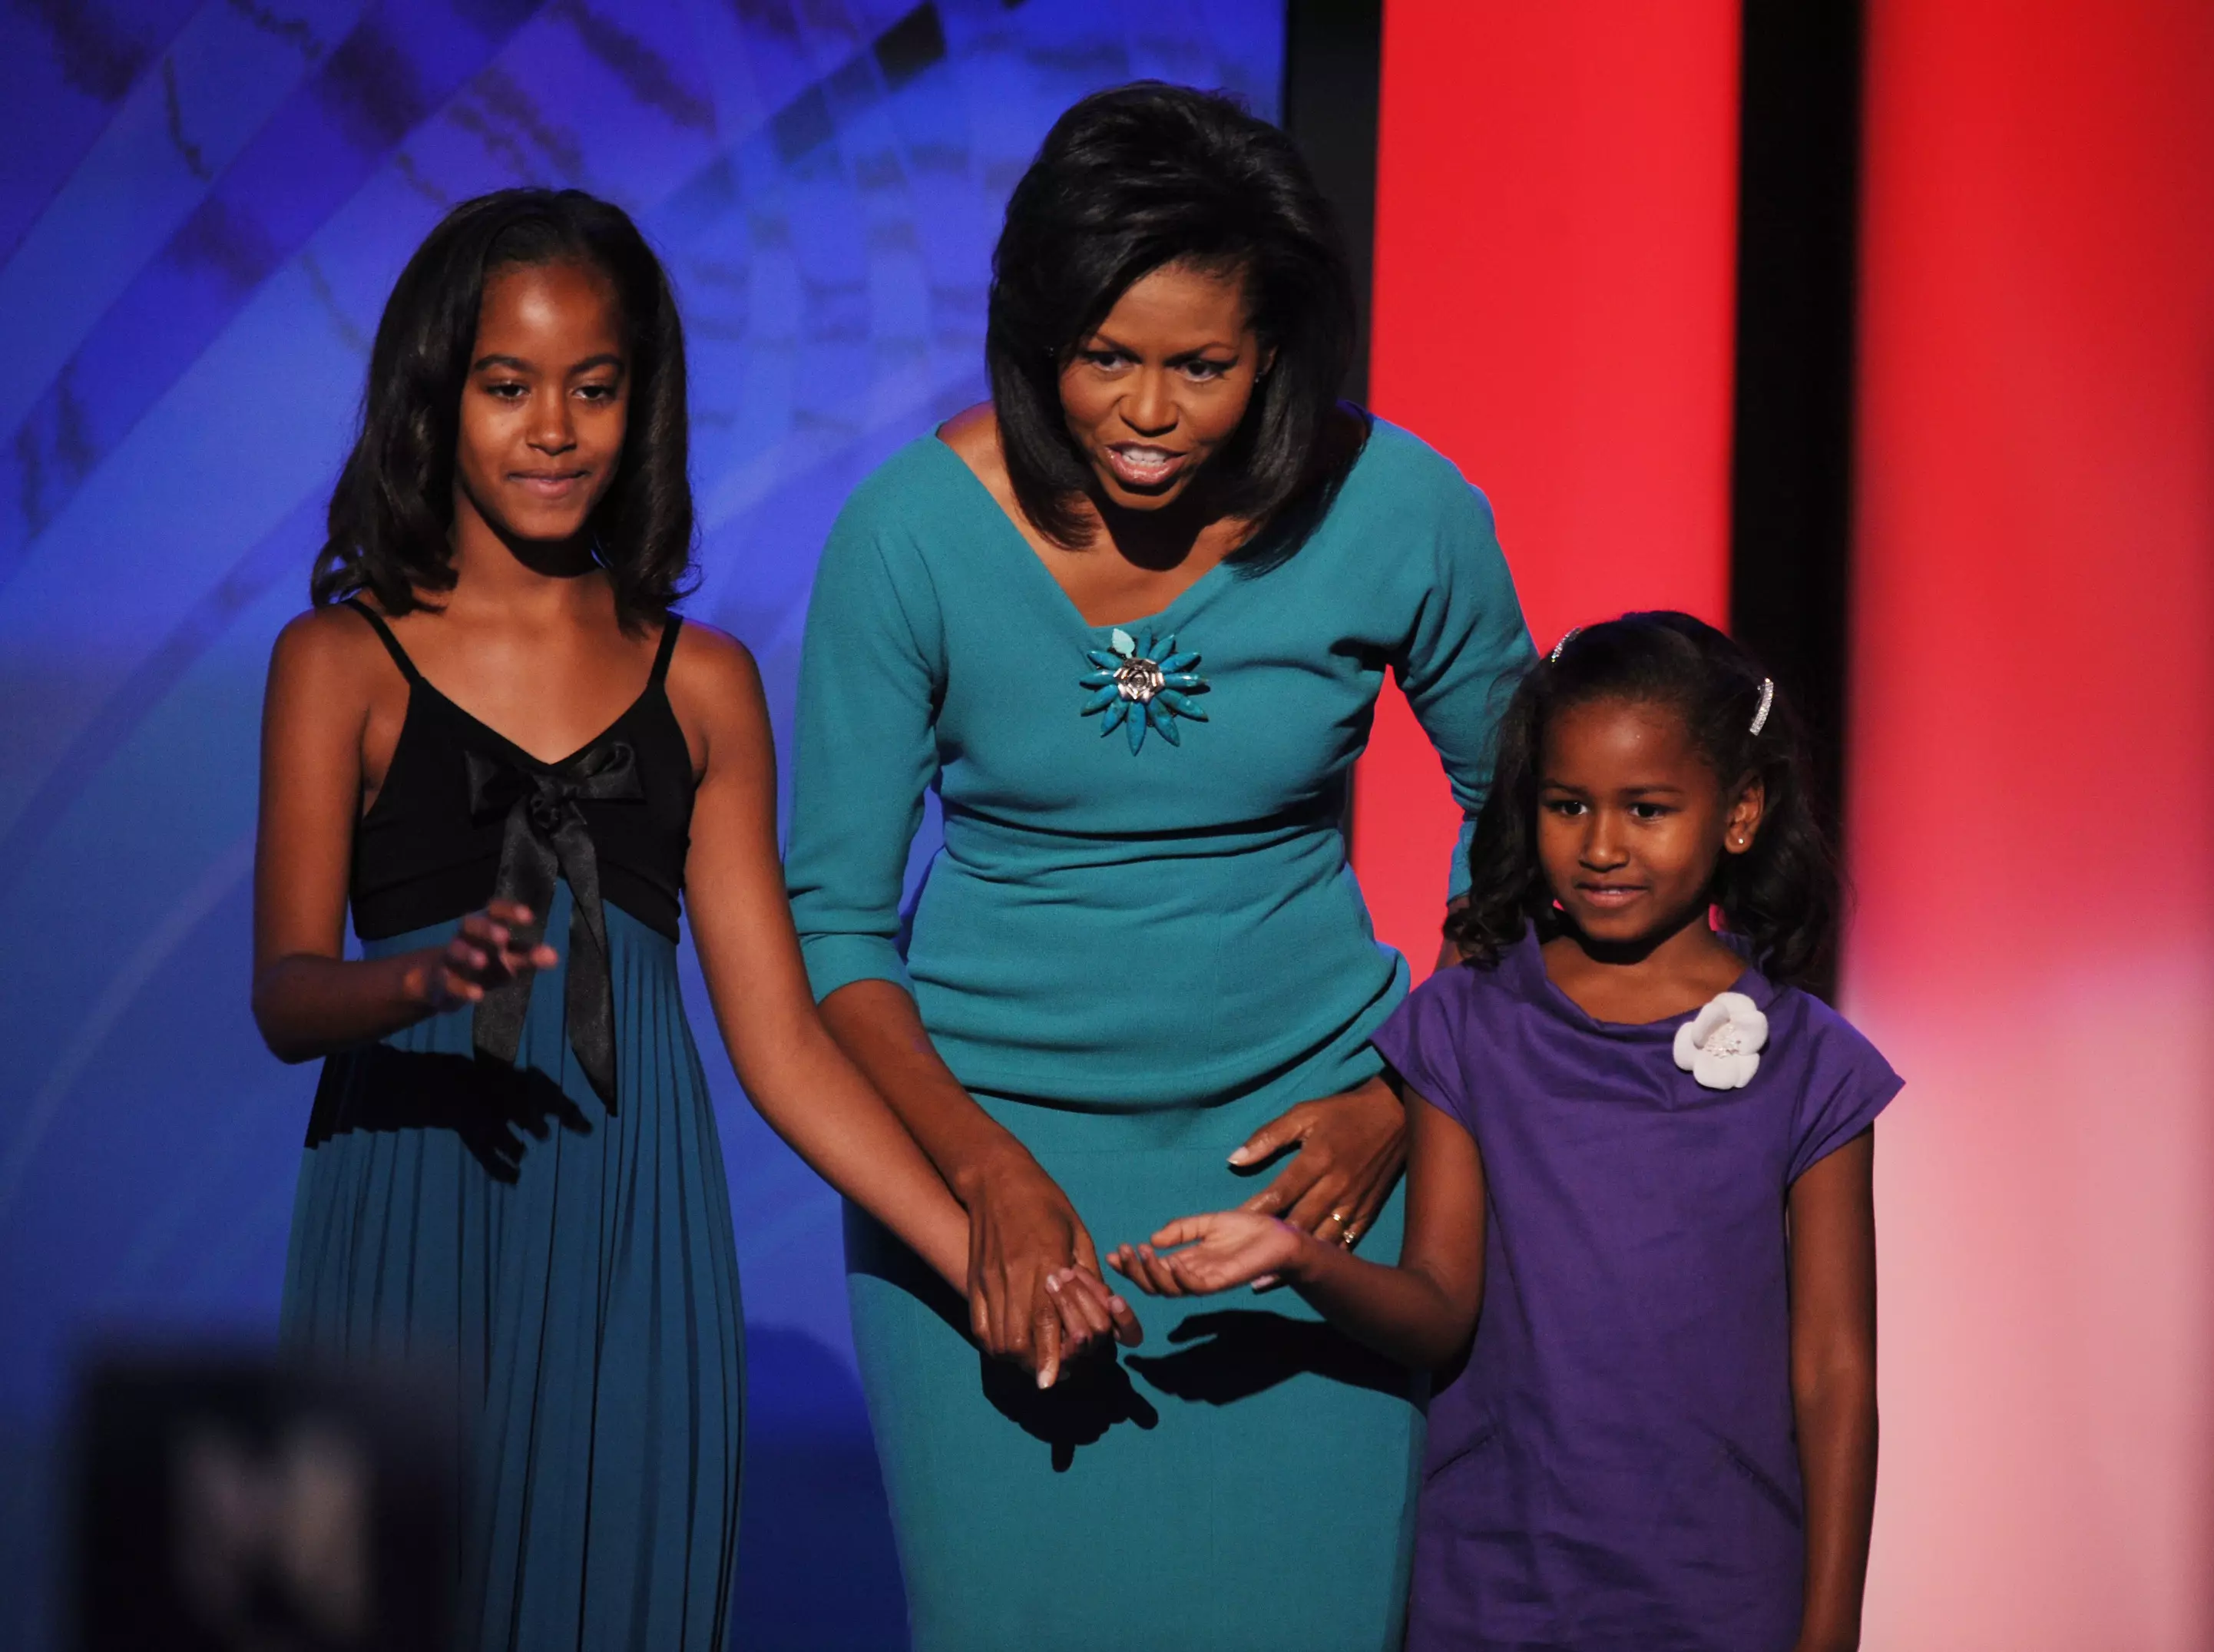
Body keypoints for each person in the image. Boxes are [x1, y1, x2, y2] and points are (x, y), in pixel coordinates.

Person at [783, 82, 1534, 1650]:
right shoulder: (908, 538)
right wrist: (984, 1178)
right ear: (1037, 332)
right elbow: (836, 927)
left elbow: (1527, 811)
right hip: (986, 1178)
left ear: (1278, 351)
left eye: (1202, 367)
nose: (1143, 410)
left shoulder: (1401, 509)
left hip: (1310, 1176)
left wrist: (1404, 1092)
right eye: (1104, 357)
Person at [253, 188, 988, 1652]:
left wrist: (973, 1256)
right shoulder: (339, 658)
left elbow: (780, 1046)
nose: (554, 429)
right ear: (433, 395)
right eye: (508, 387)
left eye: (595, 389)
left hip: (633, 1245)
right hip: (405, 1219)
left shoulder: (703, 682)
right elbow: (284, 995)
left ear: (639, 405)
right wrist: (420, 981)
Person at [1113, 612, 1898, 1652]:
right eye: (1567, 805)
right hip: (1497, 1585)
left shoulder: (1814, 1065)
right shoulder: (1467, 1023)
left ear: (1740, 812)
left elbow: (1835, 1370)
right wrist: (1298, 1256)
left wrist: (1830, 1624)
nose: (1603, 844)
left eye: (1648, 808)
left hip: (1724, 1591)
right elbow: (1441, 1307)